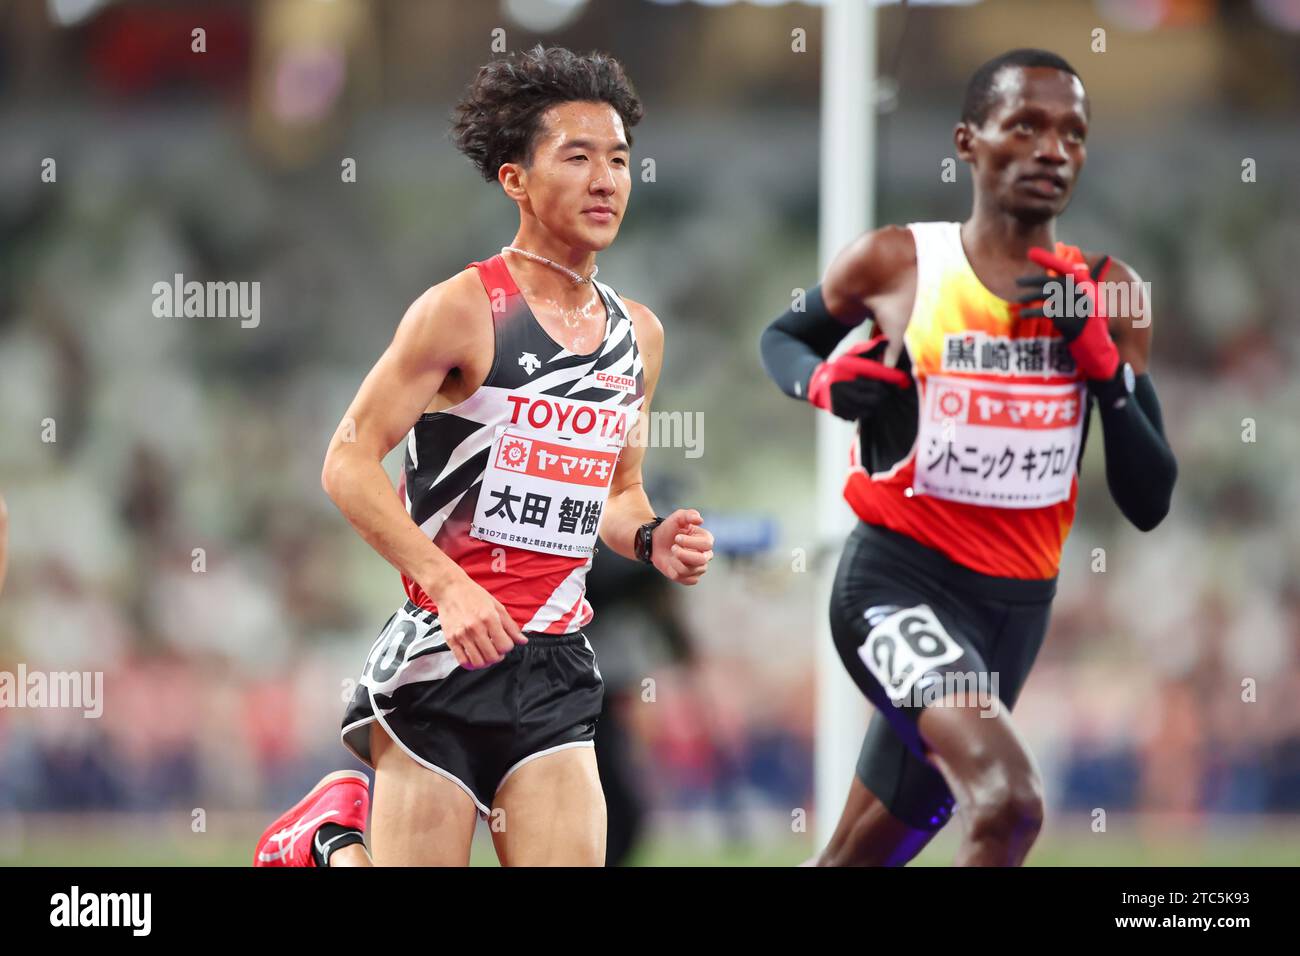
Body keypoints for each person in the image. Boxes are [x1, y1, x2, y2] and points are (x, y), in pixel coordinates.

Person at [254, 46, 714, 868]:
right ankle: (325, 841)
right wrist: (448, 584)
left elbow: (619, 493)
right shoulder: (462, 312)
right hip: (444, 659)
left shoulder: (638, 336)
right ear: (516, 180)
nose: (607, 179)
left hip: (557, 666)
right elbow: (347, 463)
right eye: (577, 157)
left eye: (618, 158)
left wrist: (651, 537)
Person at [759, 48, 1176, 866]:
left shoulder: (1111, 291)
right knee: (1009, 804)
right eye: (1025, 126)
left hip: (1015, 613)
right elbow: (785, 336)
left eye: (1073, 134)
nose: (1052, 150)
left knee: (856, 860)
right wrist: (824, 385)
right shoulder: (898, 262)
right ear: (968, 141)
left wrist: (1104, 371)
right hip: (895, 584)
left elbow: (1150, 496)